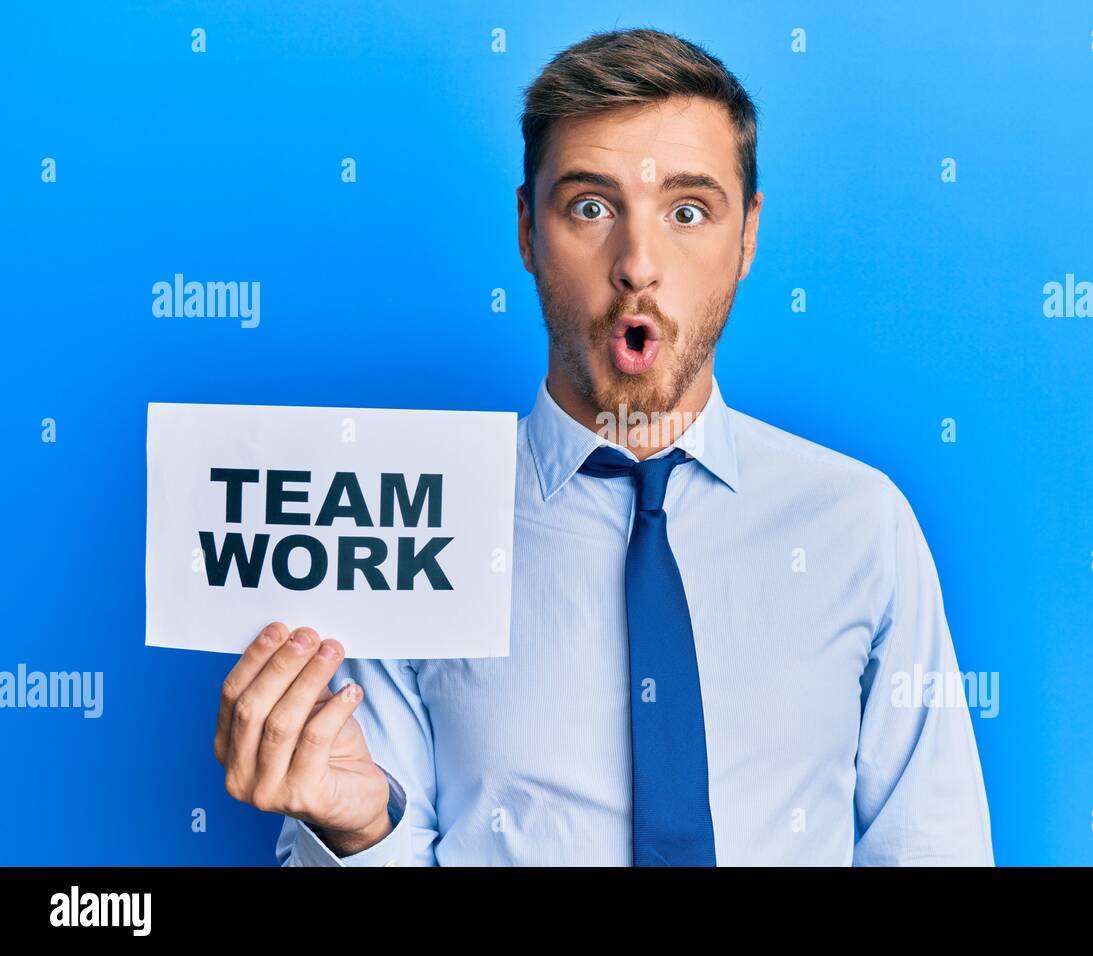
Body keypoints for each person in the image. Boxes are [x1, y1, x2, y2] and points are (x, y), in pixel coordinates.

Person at [213, 27, 994, 866]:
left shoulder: (859, 525)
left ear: (748, 238)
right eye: (590, 207)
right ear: (526, 230)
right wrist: (358, 831)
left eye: (688, 211)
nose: (638, 265)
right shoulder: (411, 526)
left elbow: (933, 846)